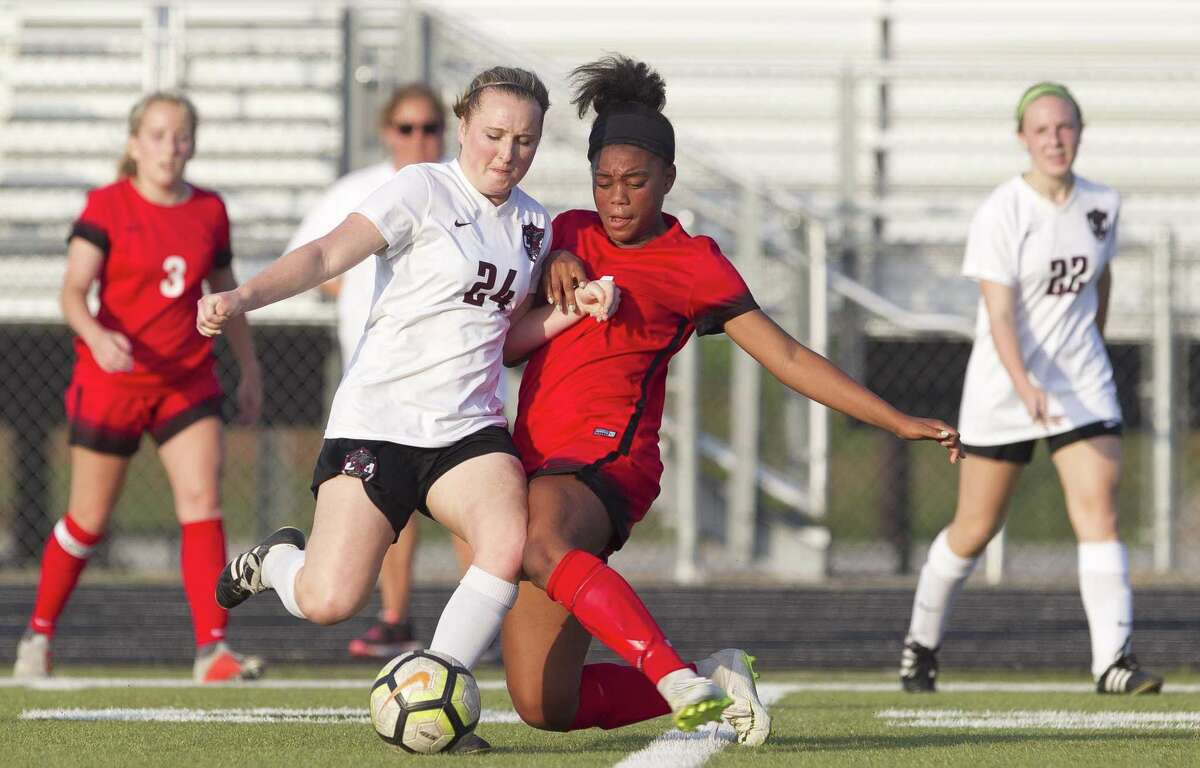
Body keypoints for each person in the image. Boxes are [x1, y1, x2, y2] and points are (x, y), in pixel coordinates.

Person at [499, 55, 963, 745]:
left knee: (542, 540)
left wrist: (894, 419)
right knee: (544, 703)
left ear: (669, 179)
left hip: (607, 463)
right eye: (604, 182)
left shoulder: (694, 263)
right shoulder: (562, 232)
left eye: (636, 182)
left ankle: (671, 678)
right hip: (534, 464)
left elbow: (788, 356)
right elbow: (509, 334)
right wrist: (552, 263)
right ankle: (711, 679)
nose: (618, 198)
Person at [199, 66, 617, 750]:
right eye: (493, 134)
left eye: (525, 140)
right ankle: (276, 562)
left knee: (506, 541)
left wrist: (574, 312)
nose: (507, 153)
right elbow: (328, 253)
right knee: (329, 601)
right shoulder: (421, 189)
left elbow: (506, 338)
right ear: (461, 127)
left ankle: (440, 690)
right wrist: (242, 298)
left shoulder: (534, 223)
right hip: (379, 423)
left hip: (468, 432)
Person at [898, 82, 1163, 696]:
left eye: (1065, 128)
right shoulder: (1003, 211)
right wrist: (1024, 384)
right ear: (1023, 138)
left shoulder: (1102, 203)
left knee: (1100, 512)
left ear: (1080, 131)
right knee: (975, 526)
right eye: (1042, 130)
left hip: (1081, 384)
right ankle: (921, 645)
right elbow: (999, 315)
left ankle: (1113, 662)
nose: (1055, 140)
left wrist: (1087, 350)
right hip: (1003, 388)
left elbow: (1102, 281)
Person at [12, 92, 265, 684]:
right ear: (133, 144)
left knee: (201, 504)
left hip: (186, 381)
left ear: (193, 144)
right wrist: (96, 334)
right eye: (156, 135)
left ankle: (211, 650)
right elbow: (73, 292)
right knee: (86, 520)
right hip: (114, 383)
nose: (169, 147)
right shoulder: (106, 206)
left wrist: (249, 367)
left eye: (180, 136)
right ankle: (38, 634)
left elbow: (228, 295)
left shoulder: (208, 211)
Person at [284, 83, 474, 660]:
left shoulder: (465, 189)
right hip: (378, 381)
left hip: (459, 381)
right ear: (386, 132)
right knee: (390, 504)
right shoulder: (357, 190)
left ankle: (477, 627)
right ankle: (395, 618)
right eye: (406, 128)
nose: (419, 138)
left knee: (481, 507)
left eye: (429, 128)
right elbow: (317, 261)